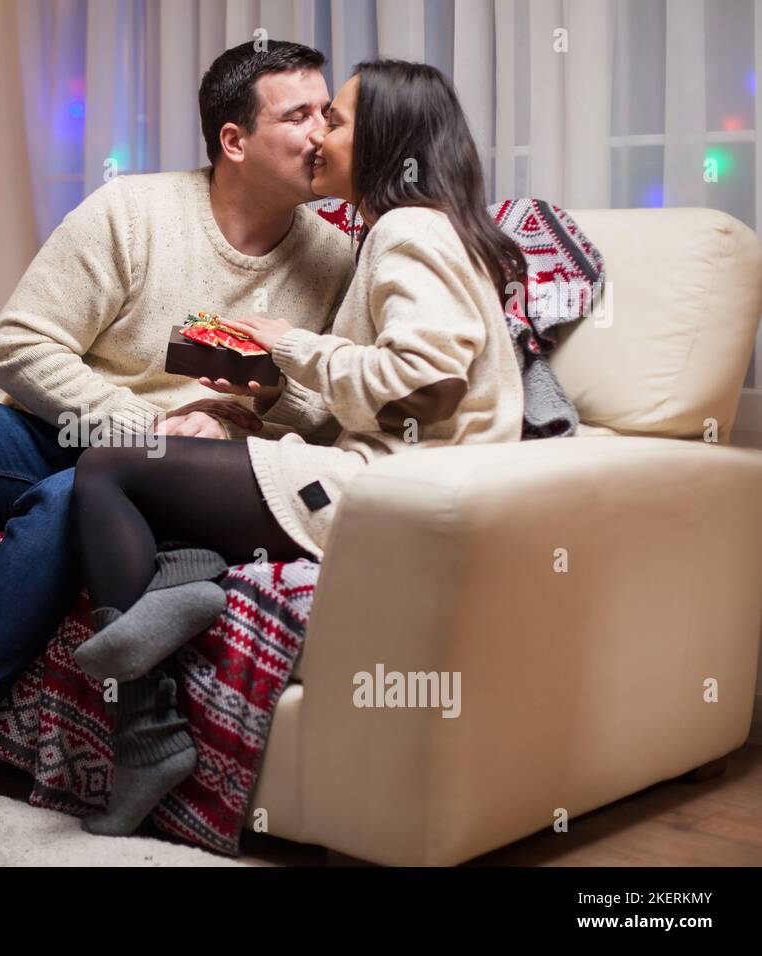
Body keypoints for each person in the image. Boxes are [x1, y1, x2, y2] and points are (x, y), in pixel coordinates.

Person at [0, 40, 357, 835]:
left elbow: (325, 413)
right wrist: (141, 423)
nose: (322, 131)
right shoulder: (135, 212)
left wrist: (222, 421)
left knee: (68, 500)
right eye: (299, 115)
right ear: (233, 140)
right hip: (78, 427)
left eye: (328, 113)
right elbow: (18, 346)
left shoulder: (336, 259)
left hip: (181, 472)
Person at [68, 59, 529, 836]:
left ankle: (144, 733)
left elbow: (426, 374)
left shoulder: (408, 229)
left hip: (383, 488)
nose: (319, 137)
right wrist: (252, 402)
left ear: (386, 140)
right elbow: (393, 386)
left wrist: (293, 347)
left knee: (110, 465)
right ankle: (185, 583)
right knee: (178, 458)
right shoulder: (424, 226)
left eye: (337, 121)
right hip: (385, 472)